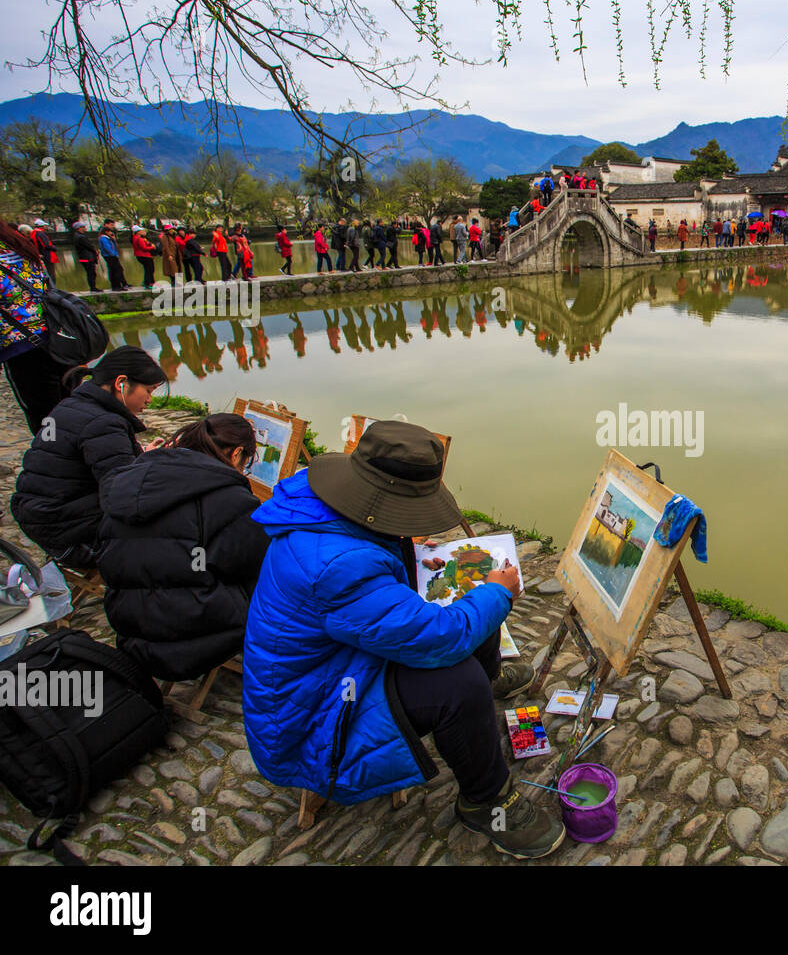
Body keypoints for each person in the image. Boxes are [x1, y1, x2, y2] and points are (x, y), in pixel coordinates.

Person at [241, 421, 564, 859]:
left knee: (468, 602)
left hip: (336, 666)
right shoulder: (338, 567)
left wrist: (407, 550)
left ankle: (488, 687)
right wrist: (499, 592)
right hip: (311, 718)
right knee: (460, 678)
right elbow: (440, 639)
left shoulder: (319, 505)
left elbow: (367, 557)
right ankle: (486, 800)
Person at [97, 413, 269, 681]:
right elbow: (250, 563)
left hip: (125, 619)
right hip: (185, 638)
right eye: (246, 463)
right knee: (270, 580)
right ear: (236, 454)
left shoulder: (129, 478)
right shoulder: (231, 499)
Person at [10, 346, 166, 569]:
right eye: (148, 391)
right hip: (70, 536)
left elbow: (101, 463)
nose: (149, 400)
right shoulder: (104, 422)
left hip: (41, 517)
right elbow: (123, 493)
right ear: (121, 383)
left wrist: (141, 456)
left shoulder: (72, 405)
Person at [0, 221, 77, 435]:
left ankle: (53, 450)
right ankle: (76, 447)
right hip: (57, 338)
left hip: (23, 348)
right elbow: (48, 288)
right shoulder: (20, 248)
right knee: (70, 404)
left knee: (44, 415)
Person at [100, 222, 129, 291]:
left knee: (118, 270)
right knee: (115, 271)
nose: (111, 233)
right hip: (110, 256)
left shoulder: (108, 238)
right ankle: (116, 286)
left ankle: (119, 285)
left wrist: (114, 240)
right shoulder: (103, 238)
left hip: (112, 256)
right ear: (106, 232)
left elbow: (115, 246)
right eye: (110, 231)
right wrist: (114, 254)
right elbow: (107, 248)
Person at [29, 220, 58, 287]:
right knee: (51, 273)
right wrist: (54, 248)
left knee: (45, 272)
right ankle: (52, 288)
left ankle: (48, 287)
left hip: (40, 254)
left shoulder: (33, 233)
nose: (46, 227)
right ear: (42, 226)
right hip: (47, 255)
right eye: (45, 225)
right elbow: (46, 245)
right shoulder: (41, 234)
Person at [72, 221, 99, 291]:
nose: (85, 228)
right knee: (91, 273)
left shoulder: (76, 236)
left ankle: (93, 287)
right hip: (87, 257)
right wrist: (95, 251)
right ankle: (93, 287)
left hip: (83, 257)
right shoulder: (81, 237)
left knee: (90, 272)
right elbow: (89, 246)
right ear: (79, 228)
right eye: (83, 227)